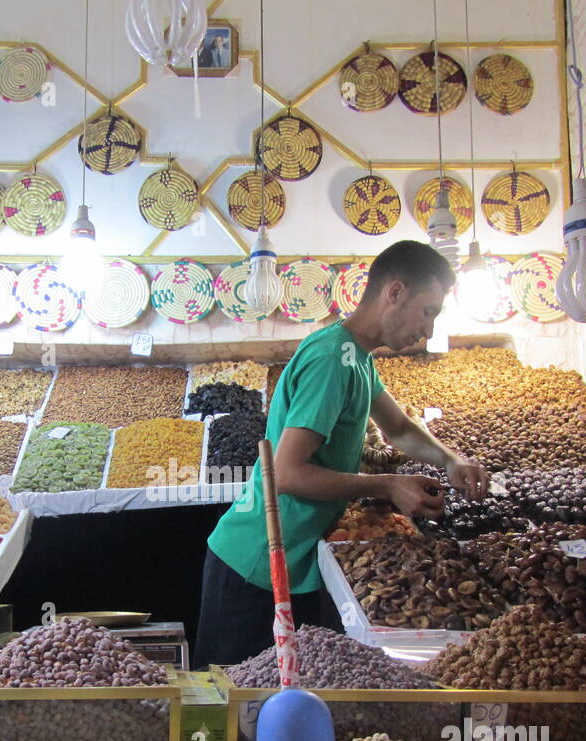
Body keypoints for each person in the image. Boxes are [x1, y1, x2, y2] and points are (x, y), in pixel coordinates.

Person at [193, 239, 490, 670]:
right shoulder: (332, 359)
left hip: (288, 558)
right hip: (255, 562)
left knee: (277, 705)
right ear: (395, 292)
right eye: (428, 312)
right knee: (228, 709)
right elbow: (288, 473)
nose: (427, 331)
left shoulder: (358, 359)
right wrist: (388, 484)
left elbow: (400, 428)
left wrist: (452, 460)